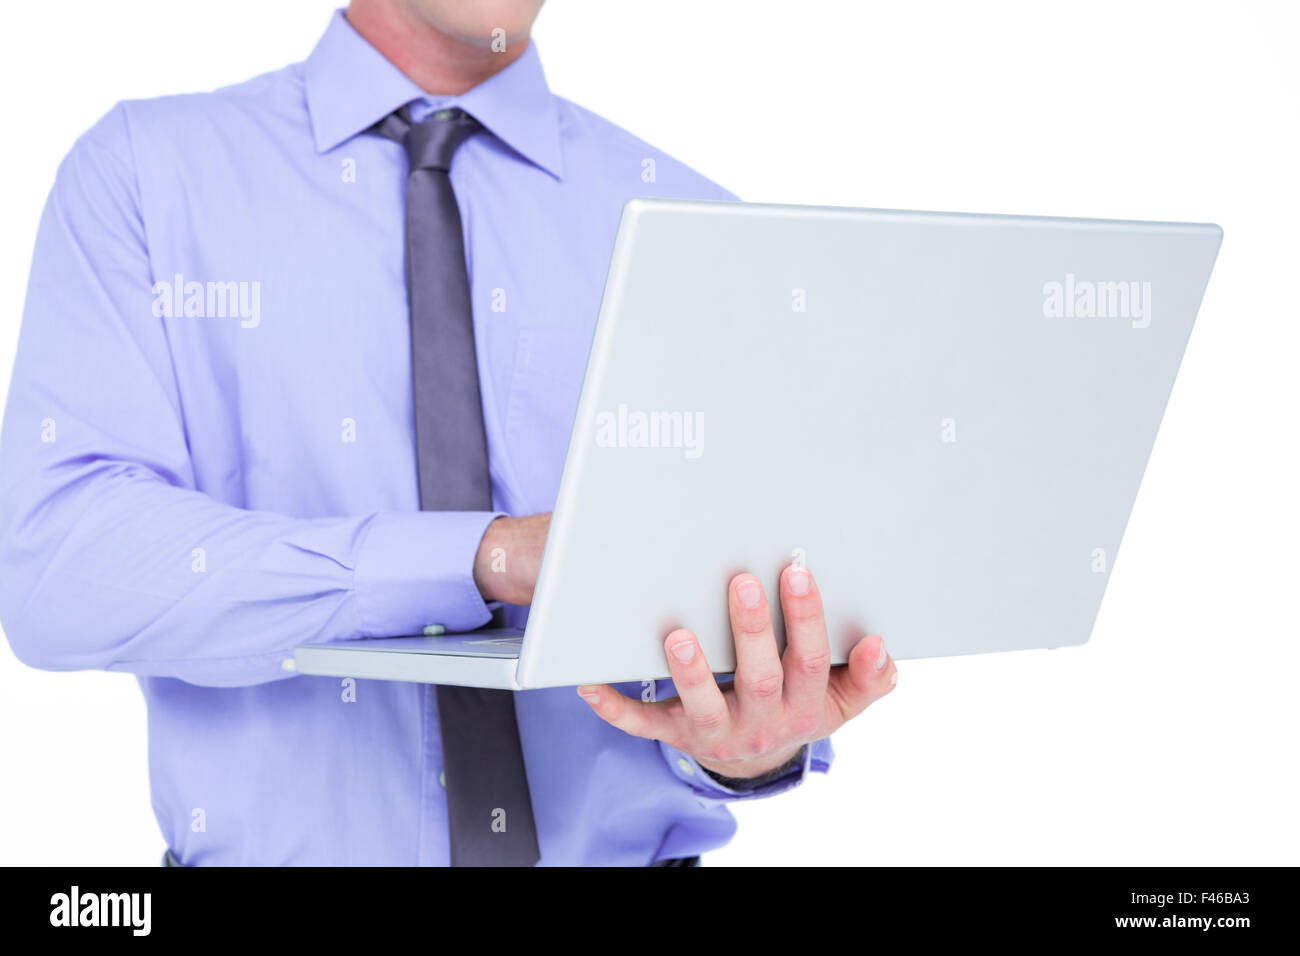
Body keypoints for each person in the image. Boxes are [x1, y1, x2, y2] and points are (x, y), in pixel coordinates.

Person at [0, 0, 897, 866]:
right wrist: (479, 557)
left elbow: (745, 625)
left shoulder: (697, 226)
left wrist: (744, 748)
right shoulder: (144, 179)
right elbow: (61, 571)